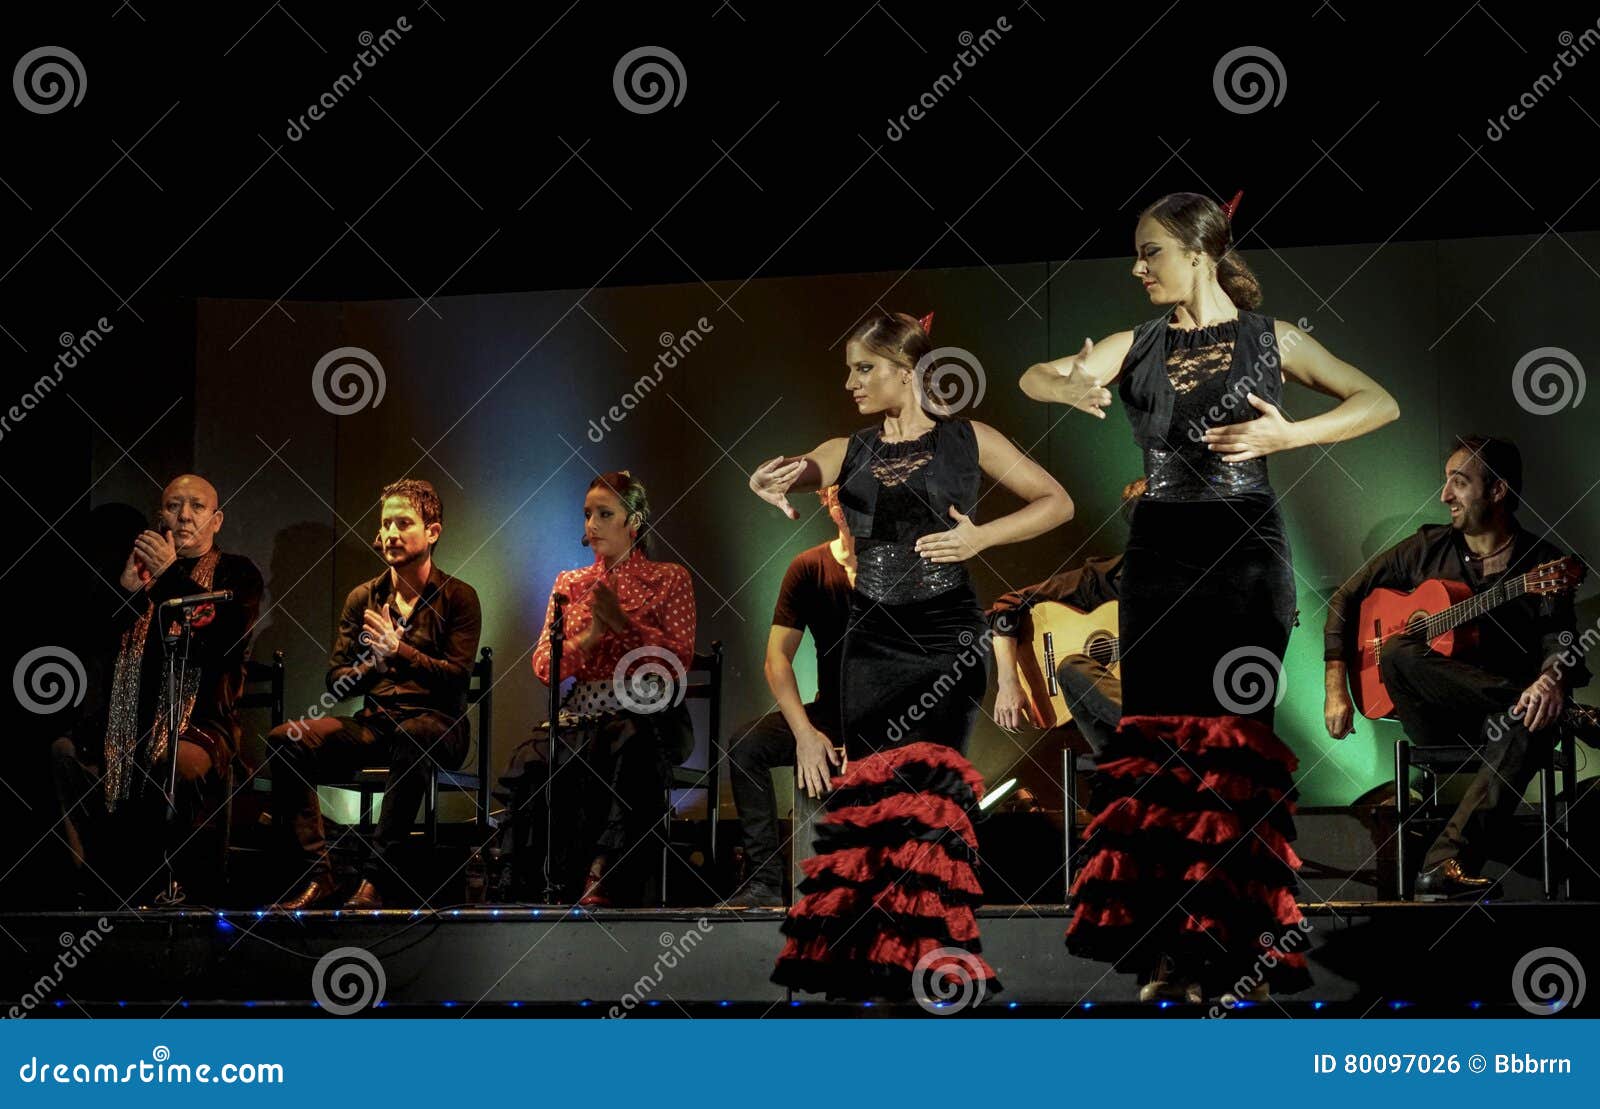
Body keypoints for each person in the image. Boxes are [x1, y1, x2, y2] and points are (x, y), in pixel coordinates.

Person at [1020, 191, 1399, 1002]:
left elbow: (1379, 400)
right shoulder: (1140, 340)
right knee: (1160, 754)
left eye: (1150, 251)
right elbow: (1037, 374)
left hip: (1243, 554)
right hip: (1160, 551)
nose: (1137, 267)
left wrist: (1289, 434)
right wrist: (1063, 387)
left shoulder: (1274, 338)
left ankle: (1236, 957)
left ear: (1199, 251)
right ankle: (1171, 954)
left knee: (1233, 751)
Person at [751, 310, 1074, 1002]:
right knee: (872, 806)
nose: (851, 382)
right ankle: (867, 970)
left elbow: (1057, 502)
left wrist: (980, 539)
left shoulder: (969, 438)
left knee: (927, 804)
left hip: (945, 644)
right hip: (871, 649)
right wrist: (774, 477)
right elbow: (803, 466)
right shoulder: (850, 448)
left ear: (908, 370)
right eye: (849, 369)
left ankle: (928, 968)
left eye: (864, 368)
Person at [1324, 435, 1596, 899]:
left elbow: (1561, 641)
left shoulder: (1543, 563)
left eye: (1459, 482)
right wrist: (1336, 688)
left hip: (1505, 722)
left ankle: (1442, 866)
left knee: (1531, 716)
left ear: (1497, 491)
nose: (1445, 495)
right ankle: (1561, 712)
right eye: (1446, 482)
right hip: (1434, 715)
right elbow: (1346, 597)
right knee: (1397, 652)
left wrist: (1550, 682)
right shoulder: (1425, 548)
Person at [266, 479, 481, 911]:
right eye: (386, 524)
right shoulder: (363, 597)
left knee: (414, 735)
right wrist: (375, 664)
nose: (391, 534)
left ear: (432, 532)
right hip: (378, 723)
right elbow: (336, 681)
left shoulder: (459, 597)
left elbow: (457, 679)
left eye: (404, 523)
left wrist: (400, 650)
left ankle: (375, 879)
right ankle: (321, 874)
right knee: (285, 740)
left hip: (439, 726)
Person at [52, 474, 263, 905]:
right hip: (126, 720)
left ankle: (171, 883)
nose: (184, 516)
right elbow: (89, 640)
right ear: (160, 516)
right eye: (173, 506)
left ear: (217, 519)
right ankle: (90, 881)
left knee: (174, 761)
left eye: (197, 507)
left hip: (200, 722)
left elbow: (218, 637)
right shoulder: (137, 571)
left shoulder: (237, 573)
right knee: (63, 751)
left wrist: (167, 576)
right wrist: (124, 594)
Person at [496, 471, 696, 907]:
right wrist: (589, 637)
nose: (592, 524)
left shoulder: (668, 579)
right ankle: (528, 883)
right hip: (583, 712)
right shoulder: (572, 585)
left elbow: (677, 660)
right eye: (588, 514)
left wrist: (623, 625)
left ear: (634, 521)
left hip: (650, 711)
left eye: (605, 514)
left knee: (626, 742)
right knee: (532, 759)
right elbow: (544, 666)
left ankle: (603, 873)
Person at [726, 485, 855, 907]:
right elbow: (776, 660)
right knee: (747, 745)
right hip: (831, 714)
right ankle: (764, 880)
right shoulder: (809, 567)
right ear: (825, 498)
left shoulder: (900, 564)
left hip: (893, 719)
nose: (848, 500)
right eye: (838, 492)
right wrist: (803, 733)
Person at [988, 477, 1144, 755]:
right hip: (1123, 726)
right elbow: (1006, 607)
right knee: (1071, 667)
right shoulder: (1101, 578)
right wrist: (1008, 682)